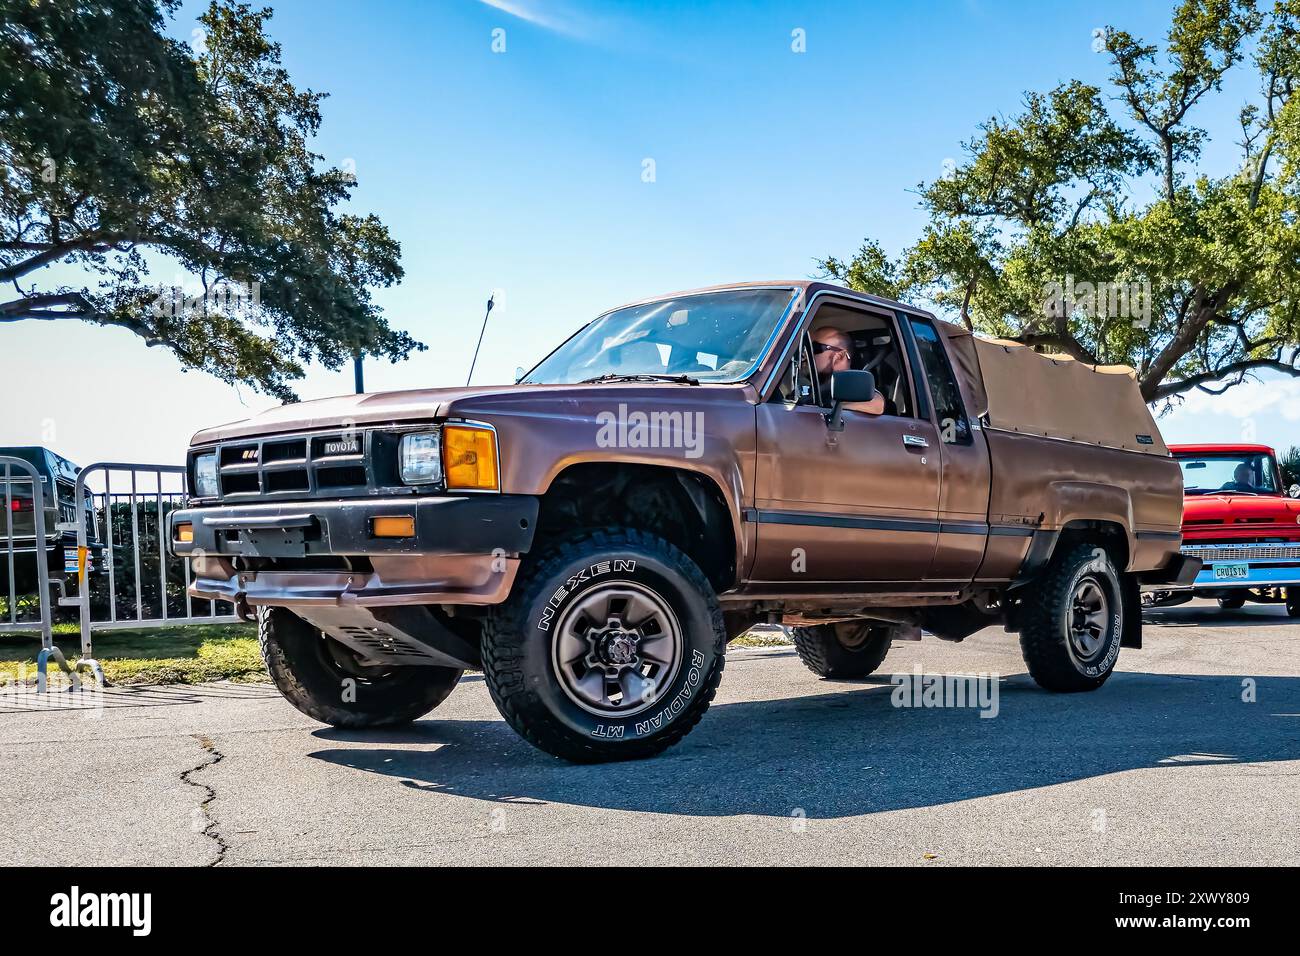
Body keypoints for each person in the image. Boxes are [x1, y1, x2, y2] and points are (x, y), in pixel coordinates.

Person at [811, 326, 885, 415]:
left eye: (815, 348)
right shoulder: (811, 385)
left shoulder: (854, 384)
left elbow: (877, 404)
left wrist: (831, 406)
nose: (807, 353)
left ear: (839, 357)